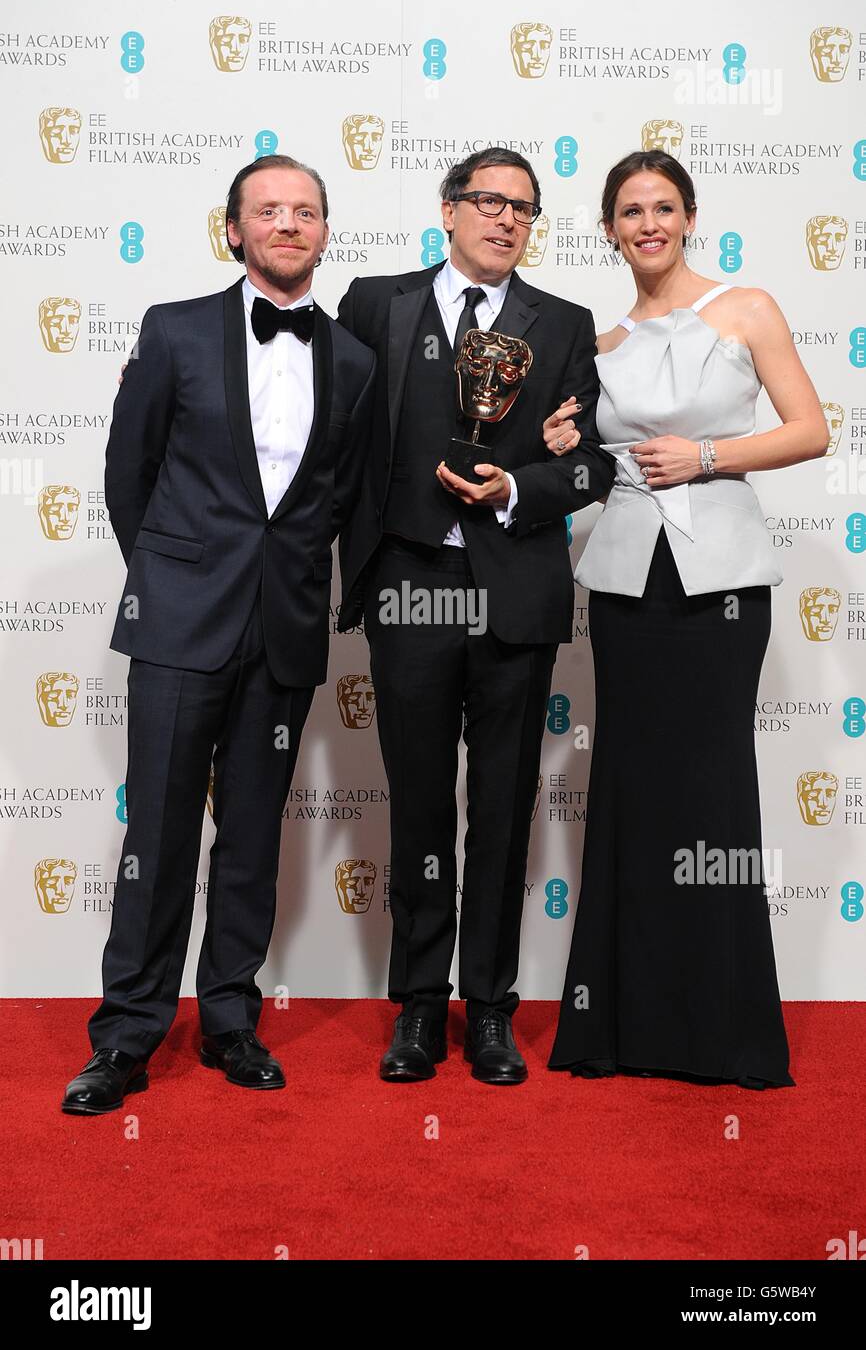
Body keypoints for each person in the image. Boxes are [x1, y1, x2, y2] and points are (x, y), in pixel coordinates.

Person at [62, 155, 375, 1115]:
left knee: (249, 838)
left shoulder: (355, 361)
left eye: (307, 211)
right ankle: (126, 1035)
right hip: (179, 620)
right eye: (269, 210)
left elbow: (344, 498)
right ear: (232, 230)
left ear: (325, 232)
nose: (289, 224)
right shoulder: (174, 329)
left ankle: (231, 1018)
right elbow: (131, 473)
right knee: (156, 833)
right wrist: (171, 575)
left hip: (281, 626)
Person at [543, 150, 827, 1089]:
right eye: (630, 211)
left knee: (713, 789)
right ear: (610, 228)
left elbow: (809, 430)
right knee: (628, 786)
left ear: (690, 216)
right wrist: (565, 443)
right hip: (627, 587)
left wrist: (704, 457)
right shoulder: (601, 341)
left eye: (663, 207)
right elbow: (589, 463)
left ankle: (725, 1031)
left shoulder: (746, 308)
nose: (648, 223)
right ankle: (616, 1027)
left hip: (722, 587)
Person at [337, 147, 615, 1084]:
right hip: (411, 595)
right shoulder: (375, 304)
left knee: (502, 811)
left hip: (514, 598)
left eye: (524, 210)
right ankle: (418, 1008)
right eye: (489, 202)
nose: (506, 220)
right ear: (449, 209)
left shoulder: (566, 325)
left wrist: (517, 488)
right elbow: (336, 443)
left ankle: (490, 1009)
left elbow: (594, 467)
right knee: (417, 809)